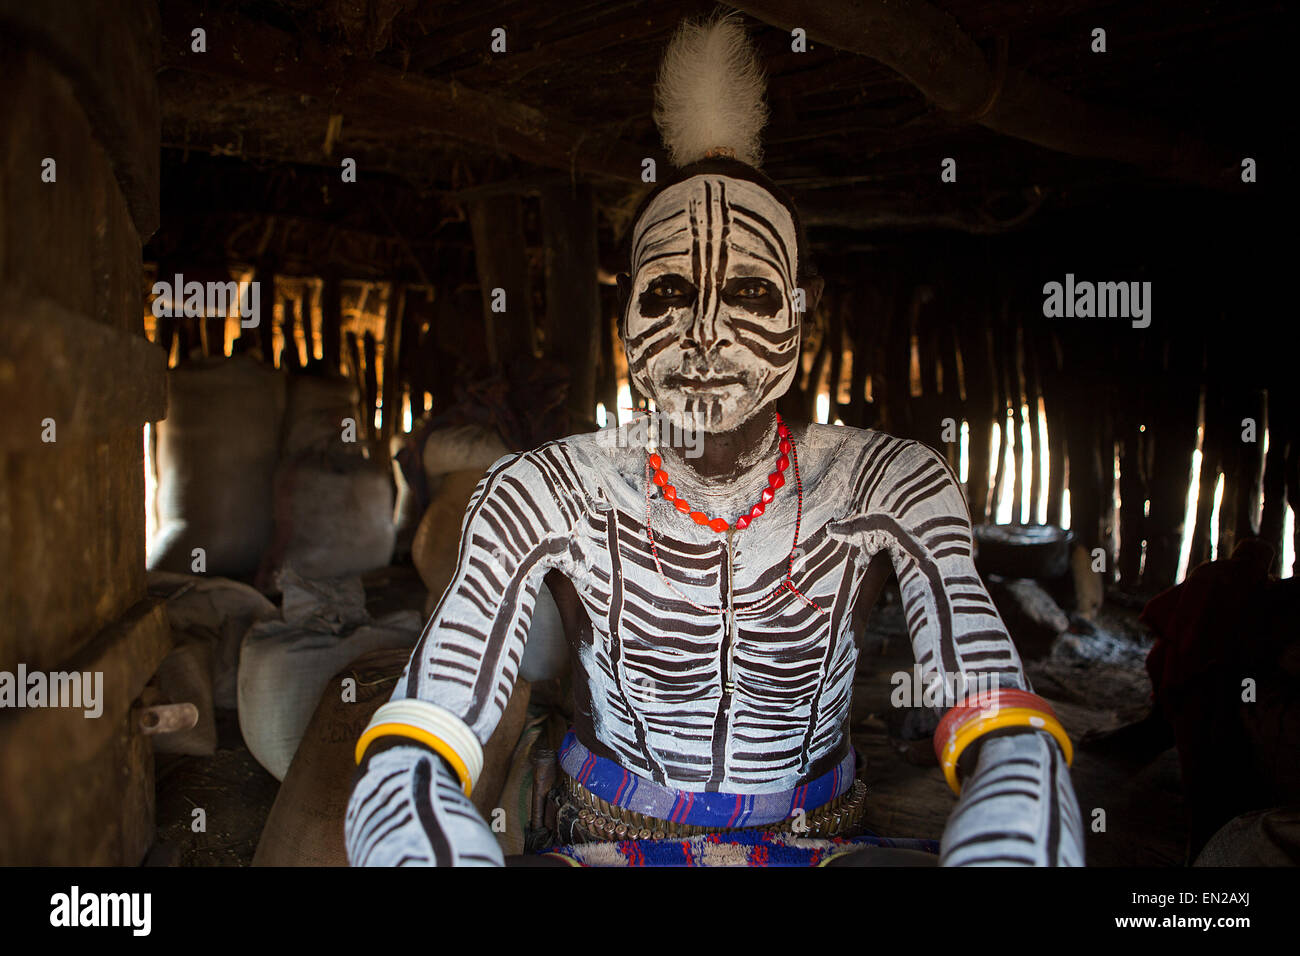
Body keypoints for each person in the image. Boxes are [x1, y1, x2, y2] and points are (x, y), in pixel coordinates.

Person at [344, 13, 1084, 867]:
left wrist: (1017, 818)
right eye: (663, 293)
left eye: (750, 294)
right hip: (603, 839)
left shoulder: (889, 482)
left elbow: (1000, 713)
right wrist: (417, 826)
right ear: (622, 318)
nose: (703, 333)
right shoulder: (542, 490)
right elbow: (424, 729)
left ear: (804, 318)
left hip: (824, 840)